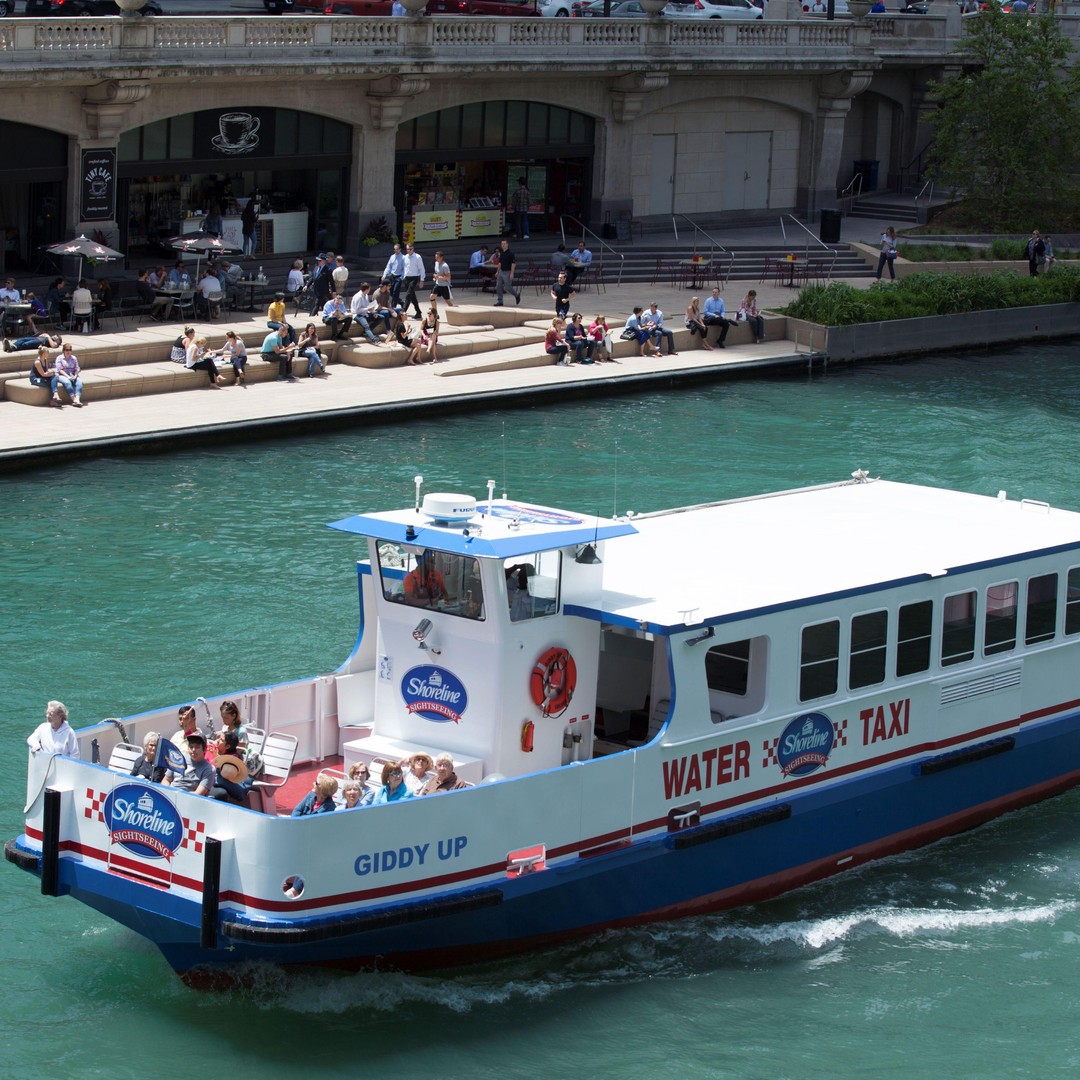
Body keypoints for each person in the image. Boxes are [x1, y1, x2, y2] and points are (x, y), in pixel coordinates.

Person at [164, 730, 214, 796]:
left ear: (204, 749)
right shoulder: (179, 758)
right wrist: (168, 792)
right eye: (191, 747)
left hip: (188, 799)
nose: (193, 750)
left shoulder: (209, 769)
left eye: (197, 747)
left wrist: (178, 795)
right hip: (170, 794)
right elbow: (166, 780)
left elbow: (198, 794)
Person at [401, 242, 425, 319]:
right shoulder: (405, 257)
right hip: (407, 278)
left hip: (414, 278)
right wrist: (403, 277)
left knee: (408, 295)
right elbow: (404, 268)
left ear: (413, 249)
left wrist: (422, 280)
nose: (408, 251)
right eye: (407, 249)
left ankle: (403, 310)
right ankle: (418, 312)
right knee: (412, 296)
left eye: (410, 249)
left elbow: (421, 269)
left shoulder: (417, 257)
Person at [494, 238, 520, 306]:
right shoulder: (501, 253)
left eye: (504, 244)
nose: (503, 245)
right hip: (501, 272)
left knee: (508, 287)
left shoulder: (511, 253)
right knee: (498, 286)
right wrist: (497, 272)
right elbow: (500, 263)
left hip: (507, 272)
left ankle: (517, 295)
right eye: (502, 244)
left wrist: (512, 273)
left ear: (507, 244)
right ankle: (500, 301)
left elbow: (513, 264)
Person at [511, 175, 531, 239]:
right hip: (525, 209)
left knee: (518, 222)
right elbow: (529, 202)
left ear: (519, 183)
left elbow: (514, 201)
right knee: (524, 221)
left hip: (518, 209)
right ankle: (525, 234)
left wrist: (513, 207)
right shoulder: (527, 192)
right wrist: (527, 206)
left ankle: (519, 235)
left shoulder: (517, 191)